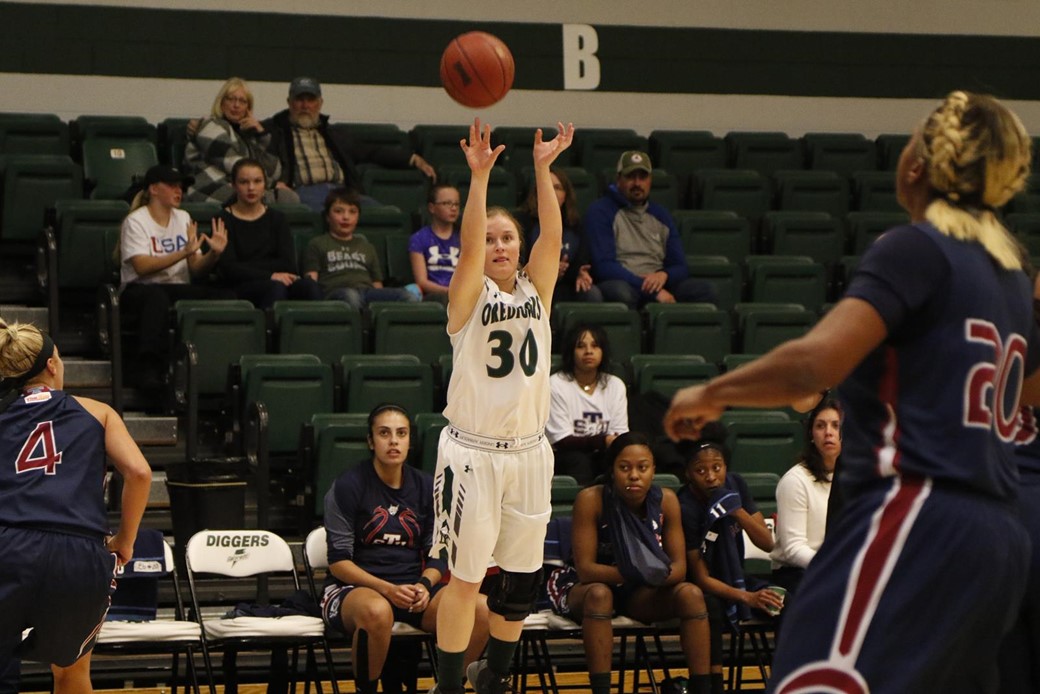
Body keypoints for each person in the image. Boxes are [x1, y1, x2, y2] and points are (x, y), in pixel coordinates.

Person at [664, 90, 1040, 693]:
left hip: (916, 511)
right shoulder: (1012, 276)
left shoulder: (914, 248)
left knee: (817, 680)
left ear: (919, 164)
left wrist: (712, 393)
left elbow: (813, 364)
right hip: (997, 536)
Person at [428, 118, 573, 694]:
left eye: (507, 237)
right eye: (491, 239)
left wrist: (543, 169)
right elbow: (467, 246)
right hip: (473, 455)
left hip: (531, 453)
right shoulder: (468, 296)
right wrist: (479, 178)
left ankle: (492, 675)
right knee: (465, 580)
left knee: (520, 580)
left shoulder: (537, 289)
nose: (499, 246)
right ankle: (446, 686)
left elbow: (552, 238)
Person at [0, 320, 152, 694]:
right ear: (52, 364)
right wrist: (126, 540)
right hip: (78, 552)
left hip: (10, 545)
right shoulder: (97, 412)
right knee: (71, 671)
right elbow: (139, 473)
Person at [322, 404, 490, 694]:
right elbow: (338, 563)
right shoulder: (348, 485)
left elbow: (438, 552)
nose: (393, 441)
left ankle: (448, 688)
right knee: (376, 611)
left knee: (482, 610)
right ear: (371, 441)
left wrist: (424, 585)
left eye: (401, 433)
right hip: (356, 590)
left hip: (412, 590)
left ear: (410, 440)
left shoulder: (427, 486)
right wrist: (387, 590)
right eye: (384, 433)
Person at [546, 433, 713, 694]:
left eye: (642, 468)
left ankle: (703, 689)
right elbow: (587, 570)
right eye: (624, 468)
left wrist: (643, 576)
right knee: (600, 595)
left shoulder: (667, 501)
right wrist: (641, 572)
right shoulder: (591, 499)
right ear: (612, 470)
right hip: (587, 587)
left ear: (653, 470)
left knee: (691, 595)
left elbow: (679, 569)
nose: (634, 475)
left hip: (639, 591)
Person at [676, 423, 780, 693]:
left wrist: (736, 511)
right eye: (701, 471)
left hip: (736, 576)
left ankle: (787, 678)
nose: (711, 477)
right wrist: (747, 598)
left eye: (717, 467)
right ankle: (713, 686)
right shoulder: (686, 506)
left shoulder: (736, 485)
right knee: (710, 606)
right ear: (688, 474)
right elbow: (701, 578)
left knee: (784, 601)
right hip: (702, 586)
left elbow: (768, 543)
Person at [118, 164, 231, 393]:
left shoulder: (183, 217)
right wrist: (183, 252)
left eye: (180, 187)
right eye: (172, 186)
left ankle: (212, 364)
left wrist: (214, 254)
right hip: (138, 289)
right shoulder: (136, 221)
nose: (178, 191)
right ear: (154, 189)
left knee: (225, 296)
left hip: (176, 287)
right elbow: (141, 267)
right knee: (156, 298)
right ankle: (148, 367)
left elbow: (196, 268)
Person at [263, 77, 436, 211]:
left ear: (320, 103)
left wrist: (412, 159)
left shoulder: (334, 134)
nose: (305, 105)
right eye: (300, 99)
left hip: (343, 192)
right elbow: (258, 157)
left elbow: (372, 151)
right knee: (331, 215)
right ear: (289, 102)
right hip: (304, 192)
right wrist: (275, 184)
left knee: (385, 214)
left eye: (311, 99)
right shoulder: (275, 131)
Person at [584, 151, 715, 309]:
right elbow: (604, 266)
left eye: (643, 177)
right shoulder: (600, 211)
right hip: (624, 281)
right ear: (619, 179)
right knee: (621, 293)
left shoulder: (661, 215)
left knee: (704, 291)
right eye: (631, 177)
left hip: (657, 279)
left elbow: (680, 266)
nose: (637, 183)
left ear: (650, 180)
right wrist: (648, 289)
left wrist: (664, 275)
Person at [216, 158, 322, 309]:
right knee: (275, 288)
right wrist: (270, 275)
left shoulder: (277, 218)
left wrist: (248, 267)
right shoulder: (223, 219)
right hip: (240, 286)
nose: (251, 188)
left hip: (279, 280)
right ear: (233, 185)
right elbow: (229, 269)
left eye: (257, 181)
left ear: (265, 184)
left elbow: (288, 264)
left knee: (310, 287)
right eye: (244, 182)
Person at [183, 77, 296, 205]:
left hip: (239, 186)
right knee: (283, 198)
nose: (236, 105)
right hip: (209, 188)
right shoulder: (211, 126)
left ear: (248, 108)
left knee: (288, 197)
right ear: (221, 103)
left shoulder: (247, 134)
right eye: (231, 99)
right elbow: (232, 163)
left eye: (242, 101)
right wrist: (271, 184)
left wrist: (261, 134)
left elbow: (274, 171)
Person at [770, 397, 840, 598]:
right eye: (820, 426)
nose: (828, 432)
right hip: (798, 573)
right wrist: (832, 567)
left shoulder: (856, 477)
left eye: (836, 426)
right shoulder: (796, 481)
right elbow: (793, 549)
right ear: (811, 434)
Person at [303, 188, 419, 309]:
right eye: (338, 211)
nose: (346, 217)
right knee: (351, 296)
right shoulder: (317, 244)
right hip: (336, 293)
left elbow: (377, 284)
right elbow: (312, 283)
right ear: (327, 216)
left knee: (408, 296)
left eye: (352, 212)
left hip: (367, 292)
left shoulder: (367, 247)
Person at [545, 324, 628, 485]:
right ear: (571, 351)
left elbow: (619, 434)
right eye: (581, 346)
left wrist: (607, 442)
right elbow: (561, 440)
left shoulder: (615, 385)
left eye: (595, 346)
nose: (588, 351)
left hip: (603, 453)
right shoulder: (556, 384)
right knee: (579, 462)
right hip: (565, 455)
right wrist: (603, 441)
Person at [516, 167, 602, 304]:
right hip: (531, 283)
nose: (551, 192)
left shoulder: (575, 224)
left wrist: (574, 273)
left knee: (591, 293)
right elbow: (518, 261)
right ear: (536, 192)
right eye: (546, 186)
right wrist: (547, 270)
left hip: (566, 283)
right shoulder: (523, 221)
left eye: (557, 187)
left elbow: (581, 260)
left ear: (566, 195)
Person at [409, 184, 462, 306]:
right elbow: (422, 281)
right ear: (432, 208)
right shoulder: (419, 238)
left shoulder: (464, 238)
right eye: (447, 203)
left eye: (456, 204)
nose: (453, 208)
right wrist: (449, 291)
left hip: (461, 293)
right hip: (434, 296)